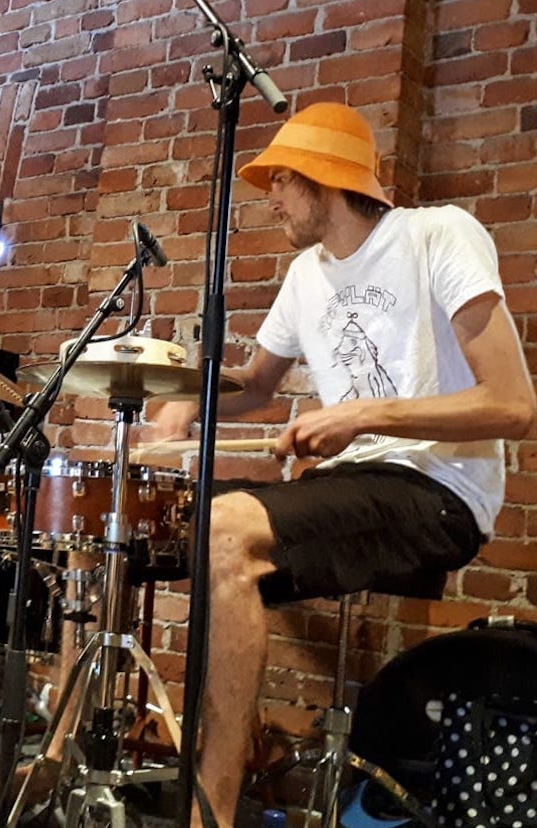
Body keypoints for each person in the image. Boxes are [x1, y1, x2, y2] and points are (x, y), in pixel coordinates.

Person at [141, 102, 535, 827]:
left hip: (436, 489)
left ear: (325, 180)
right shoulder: (304, 275)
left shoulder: (435, 235)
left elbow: (513, 405)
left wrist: (362, 414)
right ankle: (62, 752)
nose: (273, 197)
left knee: (226, 529)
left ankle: (211, 813)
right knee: (138, 517)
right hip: (347, 487)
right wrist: (184, 400)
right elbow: (257, 386)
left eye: (284, 180)